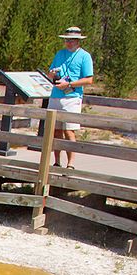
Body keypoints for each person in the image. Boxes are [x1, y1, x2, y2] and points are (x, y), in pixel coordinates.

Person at [47, 26, 94, 169]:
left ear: (78, 41)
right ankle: (56, 162)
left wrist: (69, 83)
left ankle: (70, 163)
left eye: (72, 40)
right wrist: (53, 75)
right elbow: (50, 73)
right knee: (55, 130)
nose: (69, 42)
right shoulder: (60, 54)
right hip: (56, 95)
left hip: (72, 96)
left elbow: (89, 79)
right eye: (67, 40)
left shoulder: (84, 56)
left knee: (69, 130)